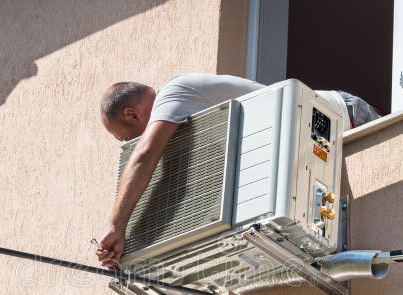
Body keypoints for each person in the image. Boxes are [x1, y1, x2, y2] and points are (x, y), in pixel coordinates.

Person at [95, 73, 380, 269]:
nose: (135, 144)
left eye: (129, 138)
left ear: (132, 114)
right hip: (319, 153)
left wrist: (116, 227)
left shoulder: (174, 92)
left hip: (342, 120)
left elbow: (145, 156)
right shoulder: (188, 136)